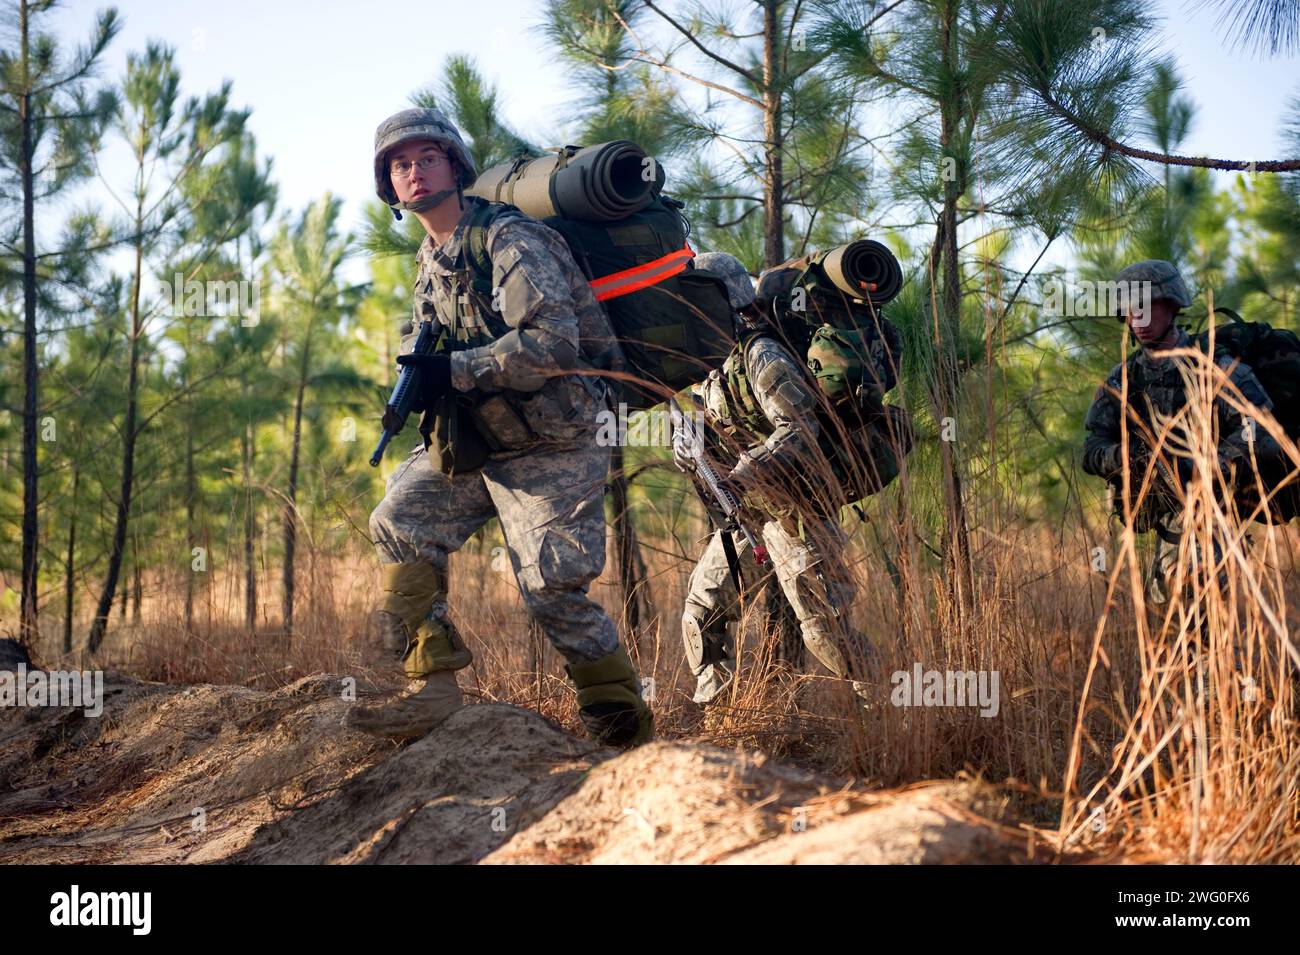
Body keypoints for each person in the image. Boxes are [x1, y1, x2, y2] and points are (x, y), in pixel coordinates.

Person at [345, 107, 652, 746]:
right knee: (400, 521)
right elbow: (428, 344)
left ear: (455, 166)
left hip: (556, 439)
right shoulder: (432, 259)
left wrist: (450, 370)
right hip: (485, 436)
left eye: (427, 157)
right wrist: (419, 381)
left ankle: (621, 731)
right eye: (399, 165)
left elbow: (552, 346)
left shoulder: (510, 238)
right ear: (390, 187)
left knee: (551, 589)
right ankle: (431, 690)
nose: (413, 171)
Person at [675, 252, 882, 708]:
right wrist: (690, 442)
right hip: (748, 512)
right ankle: (720, 724)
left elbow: (799, 429)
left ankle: (892, 713)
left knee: (826, 632)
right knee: (702, 613)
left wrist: (744, 474)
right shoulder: (712, 366)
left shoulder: (760, 353)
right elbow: (718, 430)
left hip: (797, 511)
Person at [1082, 259, 1283, 604]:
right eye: (1130, 310)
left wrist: (1203, 467)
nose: (1138, 319)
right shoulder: (1123, 379)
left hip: (1216, 516)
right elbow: (1091, 449)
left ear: (1172, 306)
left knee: (1204, 613)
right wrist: (1123, 458)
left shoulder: (1214, 367)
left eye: (1146, 307)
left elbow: (1261, 430)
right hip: (1164, 523)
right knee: (1167, 623)